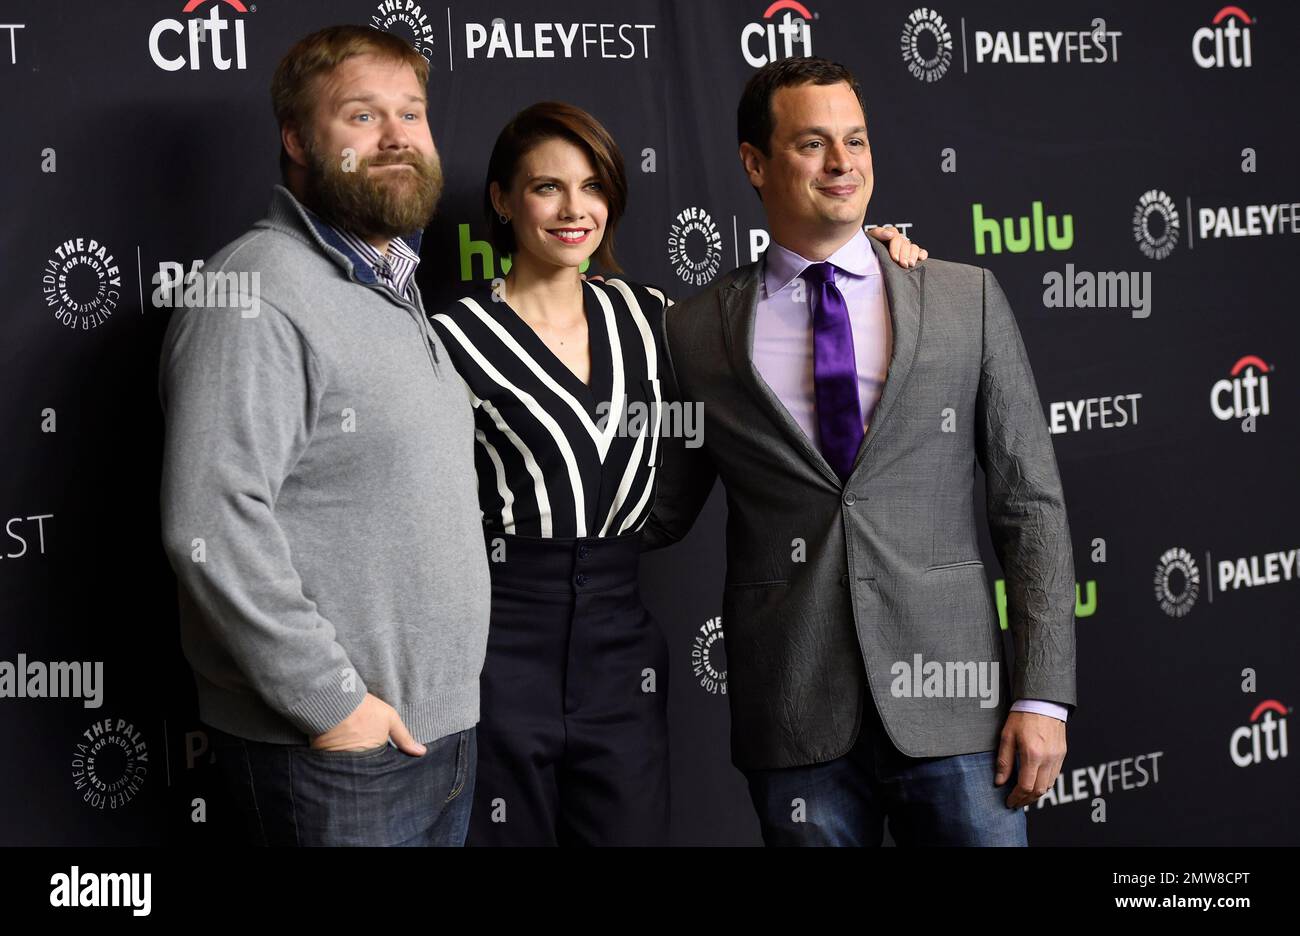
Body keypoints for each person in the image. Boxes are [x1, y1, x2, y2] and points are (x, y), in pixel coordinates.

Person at [429, 101, 926, 846]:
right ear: (502, 200)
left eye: (593, 187)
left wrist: (877, 255)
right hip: (496, 640)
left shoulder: (657, 317)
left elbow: (782, 304)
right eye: (546, 188)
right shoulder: (446, 339)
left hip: (620, 644)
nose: (575, 209)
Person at [643, 57, 1076, 846]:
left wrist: (1042, 696)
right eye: (812, 144)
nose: (843, 164)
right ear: (754, 162)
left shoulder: (962, 297)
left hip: (959, 710)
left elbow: (1030, 504)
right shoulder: (694, 329)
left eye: (856, 140)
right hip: (795, 713)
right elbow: (659, 508)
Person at [158, 25, 486, 846]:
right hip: (332, 760)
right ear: (299, 140)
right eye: (362, 117)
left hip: (437, 744)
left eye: (411, 114)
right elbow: (209, 523)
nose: (397, 136)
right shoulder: (258, 292)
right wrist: (334, 705)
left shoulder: (394, 288)